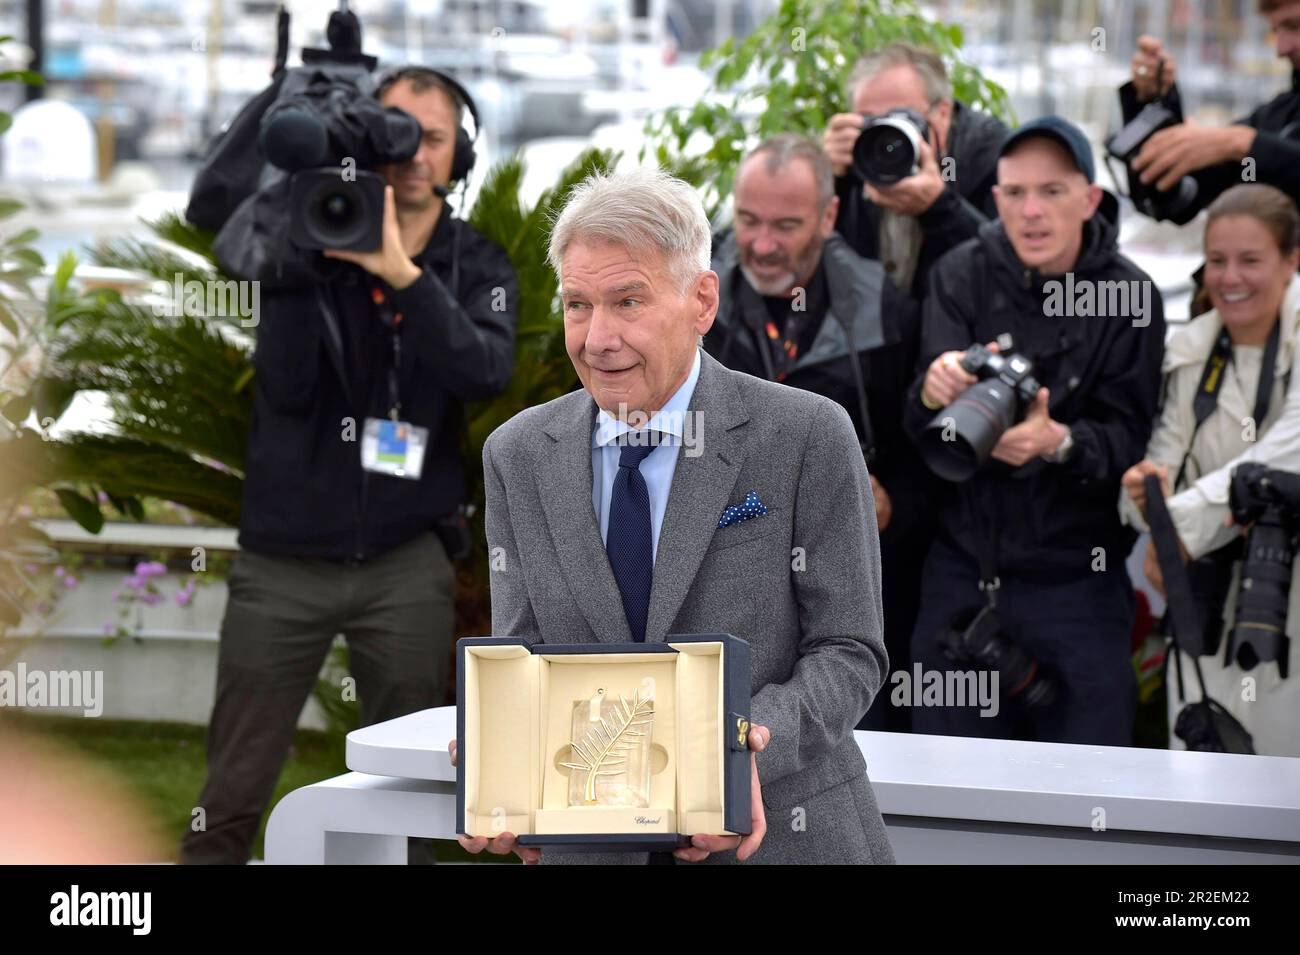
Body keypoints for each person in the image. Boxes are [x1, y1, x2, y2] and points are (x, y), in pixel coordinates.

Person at [456, 167, 895, 865]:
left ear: (702, 300)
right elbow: (526, 651)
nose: (597, 338)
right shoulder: (517, 454)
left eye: (628, 300)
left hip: (783, 836)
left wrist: (742, 752)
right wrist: (502, 753)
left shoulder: (806, 433)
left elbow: (850, 651)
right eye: (577, 305)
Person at [179, 66, 518, 864]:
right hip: (282, 559)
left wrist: (401, 273)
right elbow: (209, 211)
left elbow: (485, 370)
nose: (407, 152)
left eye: (428, 137)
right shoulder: (293, 226)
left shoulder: (475, 263)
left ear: (458, 155)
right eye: (389, 128)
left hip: (406, 558)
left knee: (412, 789)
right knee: (232, 784)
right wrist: (287, 114)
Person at [903, 117, 1166, 746]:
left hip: (1076, 576)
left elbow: (1130, 439)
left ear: (1090, 199)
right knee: (939, 778)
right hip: (965, 568)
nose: (1031, 211)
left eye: (1051, 192)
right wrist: (931, 391)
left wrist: (1061, 443)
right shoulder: (960, 275)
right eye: (1015, 193)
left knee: (1094, 780)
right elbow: (916, 427)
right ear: (994, 199)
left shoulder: (1131, 297)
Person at [703, 134, 931, 732]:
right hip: (716, 577)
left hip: (846, 579)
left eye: (786, 224)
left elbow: (924, 447)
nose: (762, 243)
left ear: (830, 216)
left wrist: (893, 499)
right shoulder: (691, 298)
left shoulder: (885, 308)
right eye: (747, 220)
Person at [1121, 184, 1300, 757]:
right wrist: (1142, 495)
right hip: (1204, 599)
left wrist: (1178, 530)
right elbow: (1160, 469)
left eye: (1251, 260)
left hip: (1288, 597)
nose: (1230, 278)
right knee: (1202, 780)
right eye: (1217, 260)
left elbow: (1283, 454)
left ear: (1292, 259)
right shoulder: (1192, 352)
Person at [823, 42, 1009, 299]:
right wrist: (828, 180)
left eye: (900, 118)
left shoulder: (990, 157)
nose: (886, 138)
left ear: (942, 115)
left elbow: (1009, 273)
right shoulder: (855, 155)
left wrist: (939, 207)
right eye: (871, 121)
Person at [1123, 2, 1300, 224]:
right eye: (1276, 32)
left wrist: (1242, 144)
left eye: (1295, 26)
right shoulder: (1279, 114)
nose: (1281, 49)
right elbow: (1179, 201)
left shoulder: (1244, 138)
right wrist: (1153, 101)